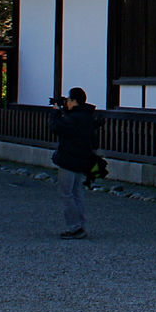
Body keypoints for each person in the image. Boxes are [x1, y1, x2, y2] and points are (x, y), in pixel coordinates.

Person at [49, 86, 100, 239]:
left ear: (75, 101)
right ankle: (80, 225)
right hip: (83, 159)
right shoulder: (87, 117)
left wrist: (56, 112)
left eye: (69, 100)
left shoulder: (73, 119)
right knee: (77, 193)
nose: (67, 103)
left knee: (66, 193)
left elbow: (56, 128)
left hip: (69, 159)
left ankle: (74, 227)